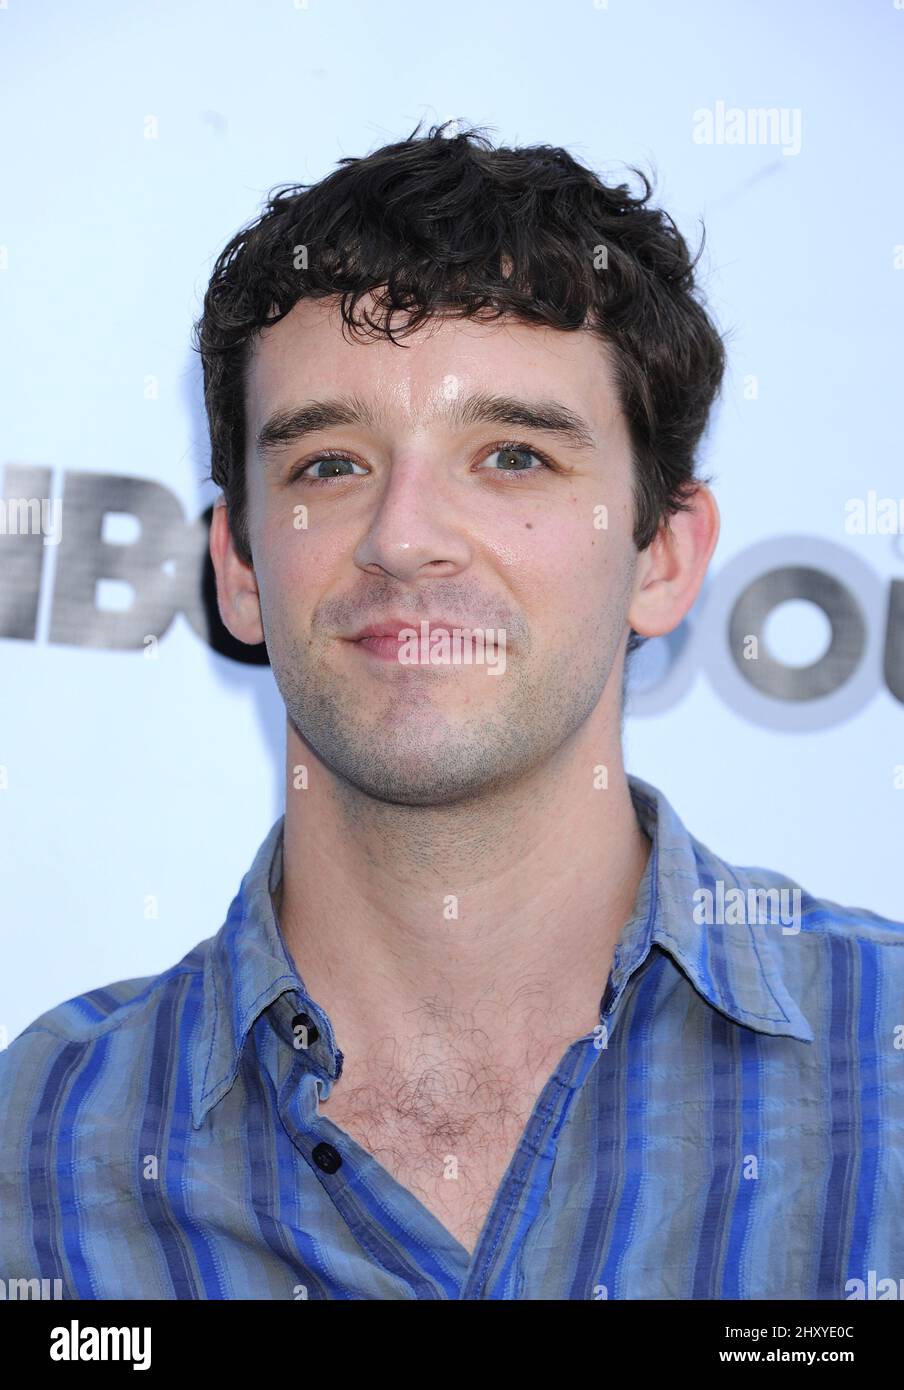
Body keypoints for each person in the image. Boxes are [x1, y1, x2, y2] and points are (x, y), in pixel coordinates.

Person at [1, 121, 901, 1301]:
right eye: (329, 463)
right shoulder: (40, 1149)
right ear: (235, 566)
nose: (405, 537)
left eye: (514, 456)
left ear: (665, 555)